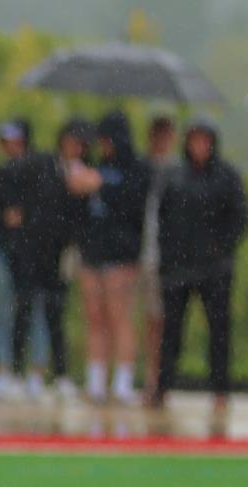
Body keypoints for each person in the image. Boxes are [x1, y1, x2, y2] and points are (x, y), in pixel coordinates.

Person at [151, 119, 247, 412]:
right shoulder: (174, 175)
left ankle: (220, 389)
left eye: (204, 141)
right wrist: (168, 258)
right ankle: (162, 387)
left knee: (219, 331)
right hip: (178, 268)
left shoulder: (226, 177)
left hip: (215, 269)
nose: (199, 147)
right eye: (194, 140)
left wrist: (222, 249)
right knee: (172, 332)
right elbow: (164, 219)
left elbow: (240, 217)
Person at [4, 121, 88, 400]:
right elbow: (12, 177)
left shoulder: (82, 174)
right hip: (30, 249)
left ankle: (60, 374)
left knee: (55, 315)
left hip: (58, 253)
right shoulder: (40, 164)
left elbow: (80, 217)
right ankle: (16, 373)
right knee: (24, 310)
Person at [73, 111, 148, 404]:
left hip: (121, 255)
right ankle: (95, 382)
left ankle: (123, 383)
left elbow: (133, 205)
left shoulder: (135, 170)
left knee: (120, 317)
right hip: (92, 251)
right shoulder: (94, 165)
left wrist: (103, 185)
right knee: (94, 317)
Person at [0, 120, 47, 397]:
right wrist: (2, 218)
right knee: (3, 308)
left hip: (33, 251)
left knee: (35, 309)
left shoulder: (40, 172)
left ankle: (35, 370)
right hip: (3, 248)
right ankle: (4, 369)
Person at [138, 114, 177, 399]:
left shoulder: (179, 172)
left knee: (163, 320)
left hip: (169, 257)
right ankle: (146, 376)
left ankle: (160, 377)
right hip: (143, 253)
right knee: (147, 319)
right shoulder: (141, 170)